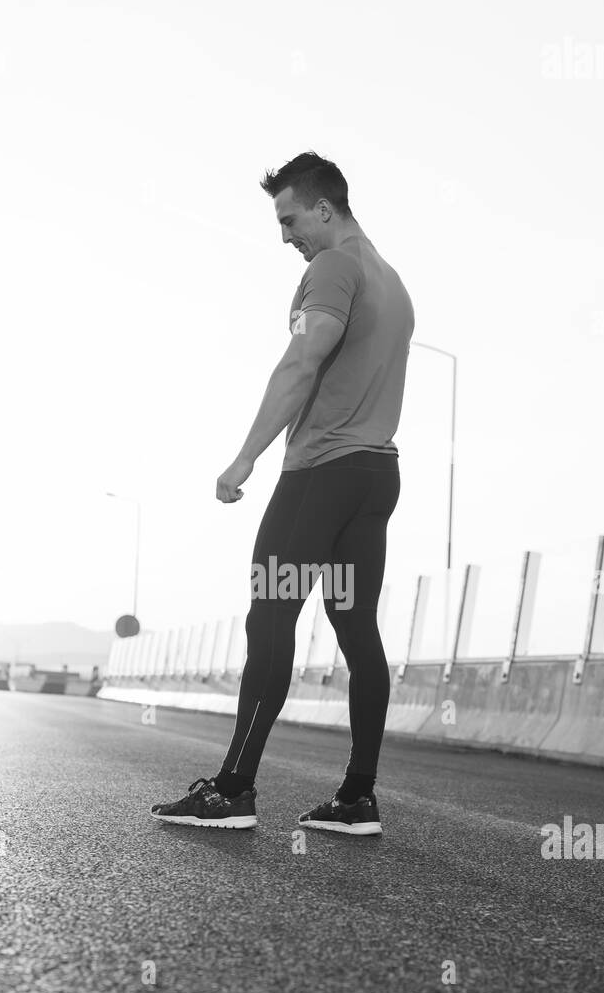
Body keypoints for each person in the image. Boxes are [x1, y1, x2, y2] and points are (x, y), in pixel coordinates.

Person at [152, 151, 414, 834]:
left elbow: (302, 361)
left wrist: (243, 458)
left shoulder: (333, 268)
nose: (285, 236)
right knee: (356, 629)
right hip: (374, 477)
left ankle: (234, 789)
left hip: (319, 477)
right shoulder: (390, 279)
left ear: (324, 209)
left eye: (290, 218)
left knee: (270, 620)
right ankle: (358, 798)